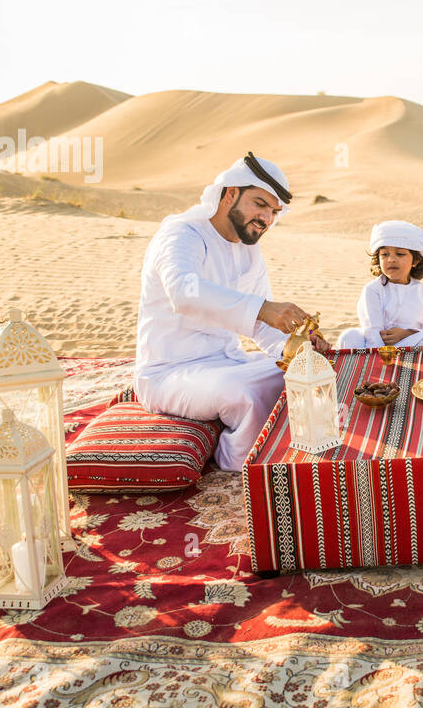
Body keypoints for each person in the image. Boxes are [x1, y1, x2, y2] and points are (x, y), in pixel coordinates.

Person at [134, 152, 329, 471]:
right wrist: (264, 310)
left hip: (226, 362)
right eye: (260, 204)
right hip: (169, 370)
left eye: (274, 212)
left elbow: (262, 326)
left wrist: (297, 348)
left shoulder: (249, 253)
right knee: (247, 395)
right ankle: (236, 466)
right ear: (230, 194)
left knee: (305, 373)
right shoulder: (182, 235)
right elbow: (184, 292)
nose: (267, 218)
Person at [336, 220, 423, 349]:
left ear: (415, 260)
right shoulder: (372, 290)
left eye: (400, 254)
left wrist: (406, 334)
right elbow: (372, 330)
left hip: (408, 347)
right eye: (384, 254)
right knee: (349, 336)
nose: (391, 259)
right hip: (374, 348)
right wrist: (380, 355)